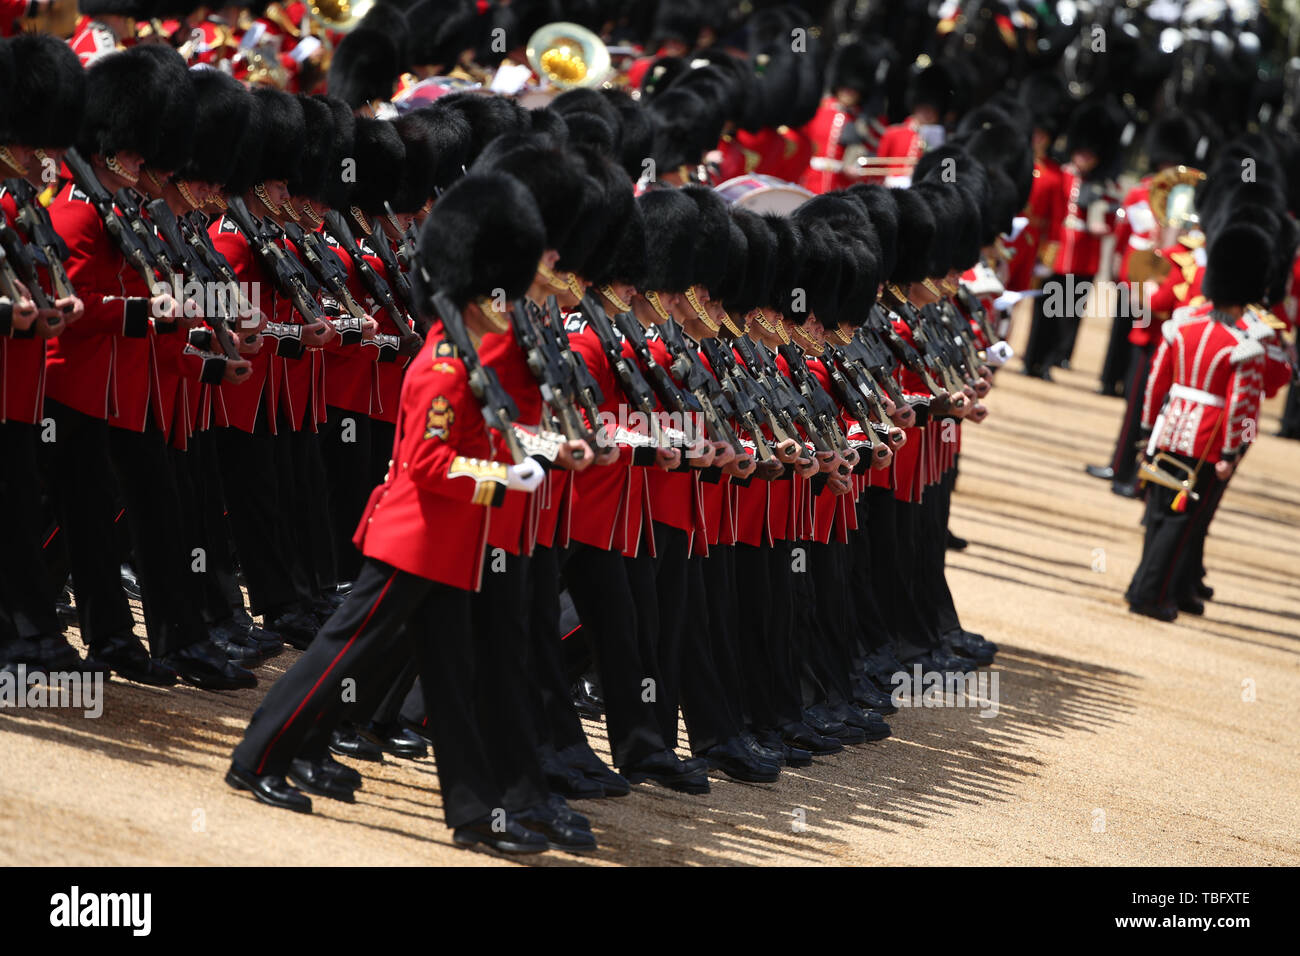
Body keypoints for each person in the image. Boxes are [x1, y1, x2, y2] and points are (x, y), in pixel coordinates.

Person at [227, 170, 597, 855]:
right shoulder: (447, 366)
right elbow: (430, 465)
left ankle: (473, 816)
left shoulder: (478, 355)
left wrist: (548, 447)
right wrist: (502, 478)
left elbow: (503, 435)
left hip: (457, 546)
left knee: (453, 689)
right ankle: (258, 755)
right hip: (417, 541)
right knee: (339, 655)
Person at [1125, 221, 1270, 622]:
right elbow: (1241, 404)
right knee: (1182, 519)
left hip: (1169, 427)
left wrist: (1145, 431)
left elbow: (1156, 384)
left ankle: (1141, 584)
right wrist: (1232, 450)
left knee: (1157, 511)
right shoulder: (1244, 346)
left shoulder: (1182, 327)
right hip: (1206, 439)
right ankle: (1150, 595)